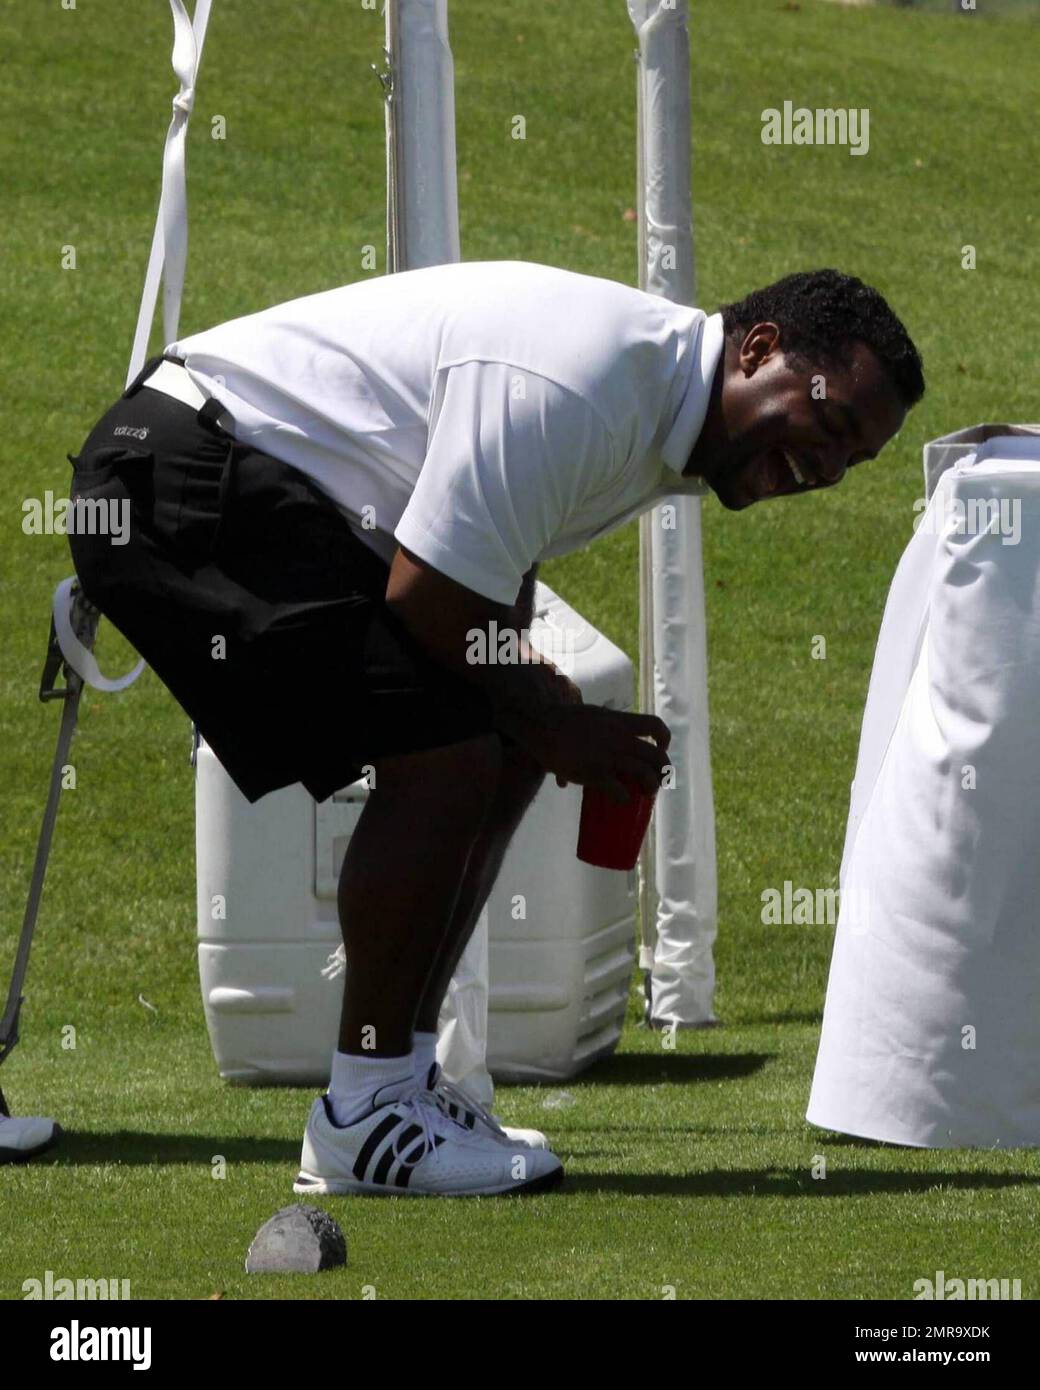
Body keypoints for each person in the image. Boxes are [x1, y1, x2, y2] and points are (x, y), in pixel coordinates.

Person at [62, 260, 924, 1196]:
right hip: (180, 475)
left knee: (495, 738)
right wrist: (552, 720)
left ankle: (398, 1084)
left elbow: (490, 557)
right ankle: (365, 1113)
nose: (828, 469)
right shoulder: (592, 385)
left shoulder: (660, 407)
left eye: (854, 461)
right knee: (455, 755)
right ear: (759, 351)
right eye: (830, 424)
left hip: (251, 477)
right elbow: (427, 587)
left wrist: (537, 712)